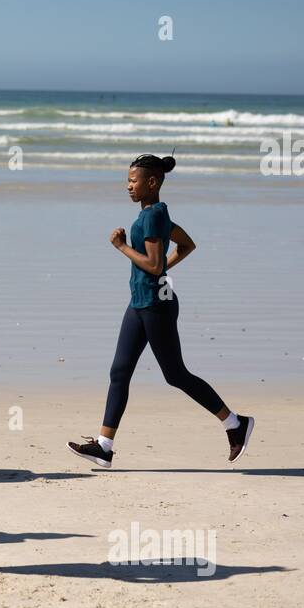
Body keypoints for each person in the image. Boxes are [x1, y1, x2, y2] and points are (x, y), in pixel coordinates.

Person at [67, 154, 253, 469]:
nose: (128, 186)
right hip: (140, 303)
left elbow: (154, 264)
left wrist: (122, 247)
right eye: (127, 180)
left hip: (156, 305)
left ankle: (235, 423)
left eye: (133, 180)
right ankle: (104, 446)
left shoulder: (152, 217)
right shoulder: (157, 214)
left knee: (175, 375)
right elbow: (186, 245)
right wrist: (160, 266)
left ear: (152, 182)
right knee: (119, 372)